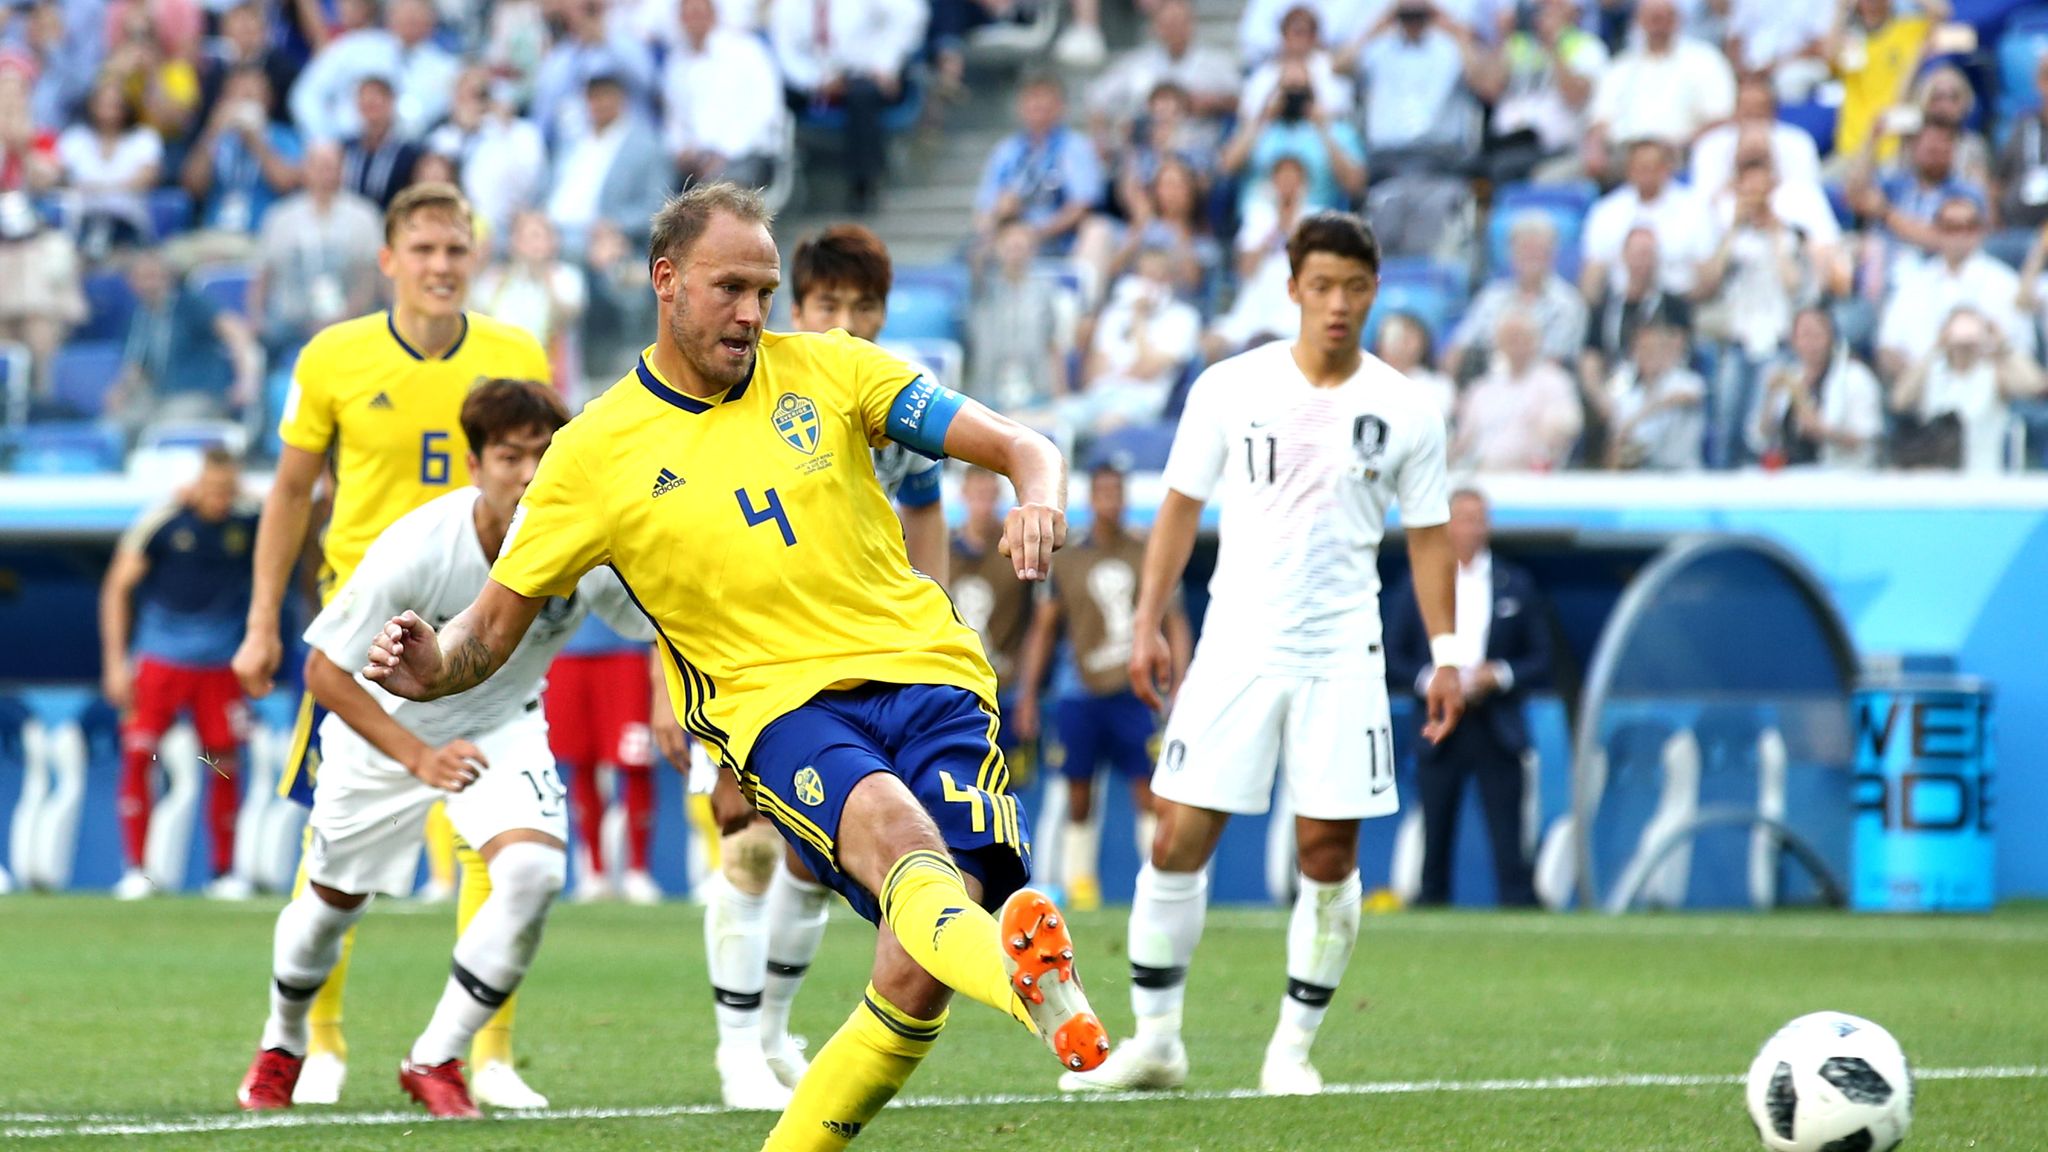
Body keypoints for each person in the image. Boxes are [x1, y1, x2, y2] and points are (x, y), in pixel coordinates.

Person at [359, 182, 1108, 1151]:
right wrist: (432, 666)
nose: (753, 312)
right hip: (777, 707)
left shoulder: (835, 369)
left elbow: (1018, 444)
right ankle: (1032, 992)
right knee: (902, 846)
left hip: (932, 680)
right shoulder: (590, 454)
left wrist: (1036, 495)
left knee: (917, 966)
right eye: (729, 288)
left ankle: (999, 983)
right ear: (665, 283)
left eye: (763, 289)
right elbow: (489, 631)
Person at [1061, 211, 1463, 1098]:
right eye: (1321, 286)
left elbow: (1431, 540)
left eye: (1354, 288)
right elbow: (1175, 508)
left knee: (1327, 853)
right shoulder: (1228, 388)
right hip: (1237, 640)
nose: (1337, 304)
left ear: (1373, 293)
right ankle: (1157, 1040)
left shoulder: (1405, 409)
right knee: (1176, 837)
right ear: (1291, 290)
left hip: (1343, 653)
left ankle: (1291, 1050)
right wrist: (1147, 623)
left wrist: (1448, 652)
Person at [235, 379, 652, 1117]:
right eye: (509, 456)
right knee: (331, 905)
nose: (527, 474)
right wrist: (418, 757)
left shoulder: (583, 545)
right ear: (474, 465)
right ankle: (283, 1040)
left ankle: (434, 1057)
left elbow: (664, 618)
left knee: (530, 872)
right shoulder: (419, 547)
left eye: (543, 455)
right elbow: (324, 673)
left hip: (501, 726)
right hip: (382, 733)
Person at [229, 182, 554, 1111]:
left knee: (506, 851)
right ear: (389, 260)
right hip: (364, 637)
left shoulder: (514, 353)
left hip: (488, 626)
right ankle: (314, 1041)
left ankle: (482, 1053)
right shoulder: (334, 355)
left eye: (457, 249)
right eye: (423, 250)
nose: (441, 266)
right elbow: (291, 492)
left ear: (475, 257)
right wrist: (262, 622)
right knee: (332, 864)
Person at [690, 221, 955, 1110]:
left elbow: (926, 514)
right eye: (828, 305)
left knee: (812, 864)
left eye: (863, 308)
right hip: (743, 664)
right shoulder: (737, 389)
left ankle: (770, 1034)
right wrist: (675, 684)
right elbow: (674, 555)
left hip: (857, 664)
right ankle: (733, 1052)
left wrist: (936, 632)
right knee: (751, 847)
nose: (845, 323)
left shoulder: (888, 403)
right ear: (793, 308)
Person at [1015, 463, 1190, 912]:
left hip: (1137, 687)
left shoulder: (1145, 549)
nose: (1110, 501)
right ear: (1090, 499)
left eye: (1117, 492)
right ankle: (1081, 885)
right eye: (1102, 493)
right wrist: (1030, 694)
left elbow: (1175, 622)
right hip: (1081, 689)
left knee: (1148, 790)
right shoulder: (1069, 556)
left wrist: (1181, 687)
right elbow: (1044, 628)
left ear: (1125, 497)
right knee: (1077, 792)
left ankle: (1156, 880)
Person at [100, 448, 261, 901]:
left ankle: (224, 872)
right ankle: (135, 869)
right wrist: (116, 662)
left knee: (225, 764)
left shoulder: (248, 521)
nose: (219, 500)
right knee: (140, 757)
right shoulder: (164, 522)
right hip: (160, 660)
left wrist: (248, 495)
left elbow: (295, 525)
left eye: (227, 490)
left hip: (220, 665)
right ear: (194, 485)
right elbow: (117, 585)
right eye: (212, 489)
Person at [1385, 488, 1552, 907]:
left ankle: (1518, 909)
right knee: (1435, 828)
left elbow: (1542, 657)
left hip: (1495, 721)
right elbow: (1392, 654)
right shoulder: (1419, 582)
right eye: (1462, 518)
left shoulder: (1516, 583)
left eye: (1478, 518)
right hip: (1440, 721)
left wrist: (1499, 674)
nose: (1470, 527)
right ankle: (1431, 905)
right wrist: (1436, 680)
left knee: (1508, 833)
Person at [545, 615, 662, 905]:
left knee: (635, 761)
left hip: (628, 649)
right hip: (566, 648)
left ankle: (638, 872)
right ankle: (594, 873)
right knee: (581, 760)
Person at [1747, 307, 1885, 470]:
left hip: (1839, 473)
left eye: (1817, 336)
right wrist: (1770, 397)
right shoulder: (1790, 377)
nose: (1811, 344)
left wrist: (1824, 431)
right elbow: (1759, 438)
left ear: (1831, 338)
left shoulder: (1856, 378)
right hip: (1789, 473)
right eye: (1804, 336)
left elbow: (1868, 438)